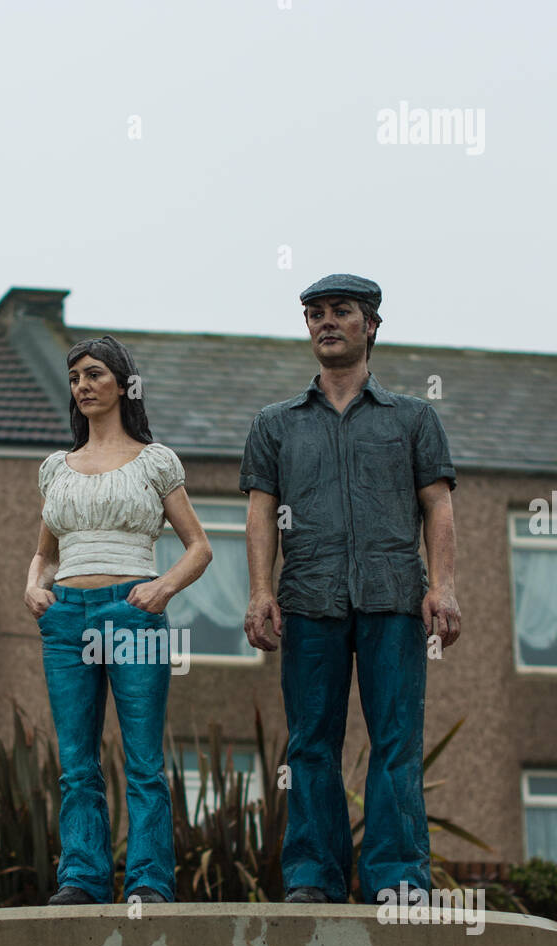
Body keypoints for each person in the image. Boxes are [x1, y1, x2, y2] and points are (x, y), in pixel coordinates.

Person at [240, 274, 461, 905]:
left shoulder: (415, 418)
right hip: (309, 600)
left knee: (396, 742)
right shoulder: (275, 425)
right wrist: (261, 592)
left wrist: (442, 587)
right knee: (311, 743)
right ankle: (313, 877)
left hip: (394, 598)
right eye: (315, 313)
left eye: (341, 311)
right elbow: (260, 513)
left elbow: (437, 507)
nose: (326, 322)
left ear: (371, 327)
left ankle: (397, 879)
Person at [25, 334, 212, 906]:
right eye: (76, 376)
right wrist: (32, 585)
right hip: (64, 620)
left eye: (95, 374)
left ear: (123, 383)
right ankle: (81, 878)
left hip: (131, 613)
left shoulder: (156, 462)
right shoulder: (56, 467)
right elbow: (45, 553)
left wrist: (162, 587)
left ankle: (150, 883)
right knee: (77, 764)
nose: (83, 384)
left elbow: (199, 547)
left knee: (144, 761)